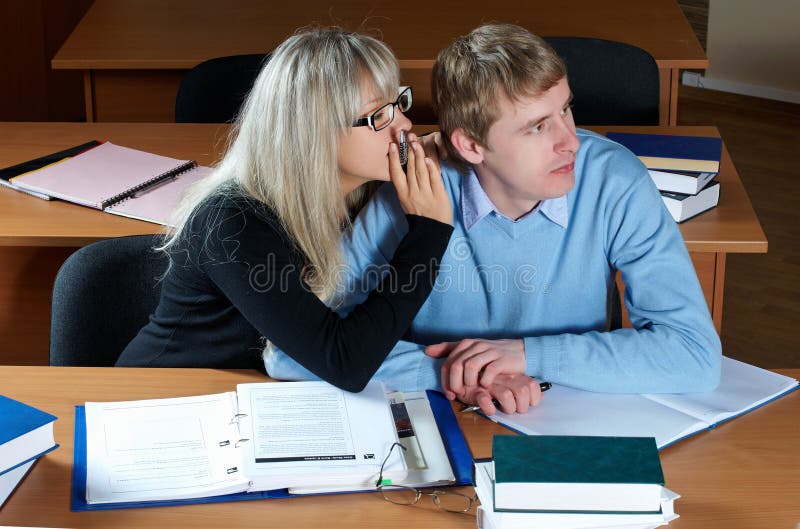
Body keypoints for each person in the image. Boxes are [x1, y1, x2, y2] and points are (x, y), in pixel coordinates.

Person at [264, 23, 722, 413]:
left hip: (575, 412)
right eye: (538, 126)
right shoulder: (416, 192)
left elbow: (694, 354)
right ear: (470, 146)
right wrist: (452, 372)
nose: (571, 142)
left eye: (565, 109)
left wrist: (526, 356)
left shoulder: (614, 179)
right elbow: (290, 352)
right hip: (449, 412)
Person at [116, 27, 454, 393]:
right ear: (315, 134)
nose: (404, 125)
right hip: (163, 399)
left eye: (398, 103)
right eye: (378, 117)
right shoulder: (234, 224)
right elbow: (345, 363)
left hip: (260, 398)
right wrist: (429, 232)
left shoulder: (358, 195)